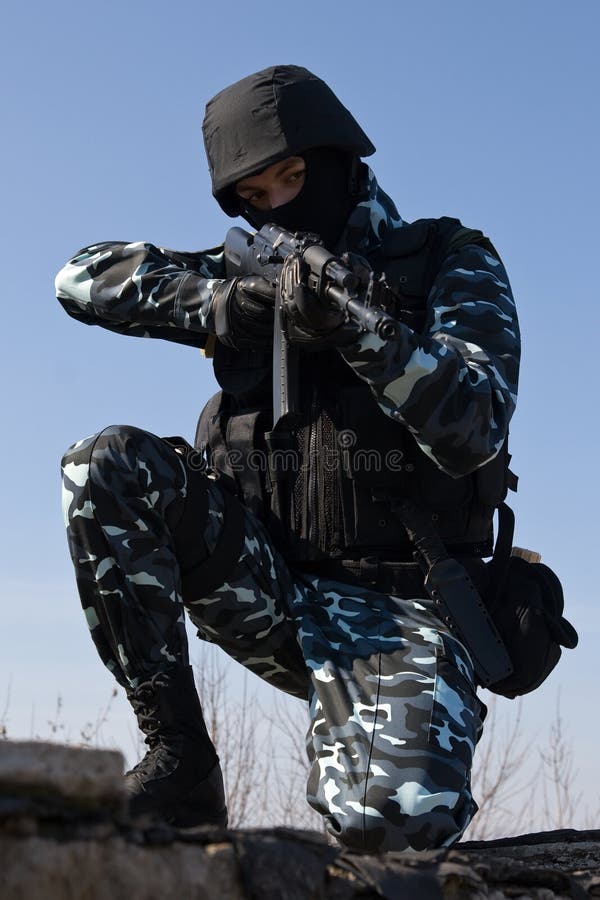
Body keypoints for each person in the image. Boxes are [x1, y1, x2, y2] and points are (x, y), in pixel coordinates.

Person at [56, 65, 520, 853]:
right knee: (103, 465)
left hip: (393, 608)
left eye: (295, 179)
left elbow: (472, 425)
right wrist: (220, 305)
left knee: (395, 823)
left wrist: (364, 332)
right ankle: (181, 760)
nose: (277, 205)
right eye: (256, 196)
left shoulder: (448, 257)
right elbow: (78, 278)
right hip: (262, 576)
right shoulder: (248, 269)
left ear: (338, 162)